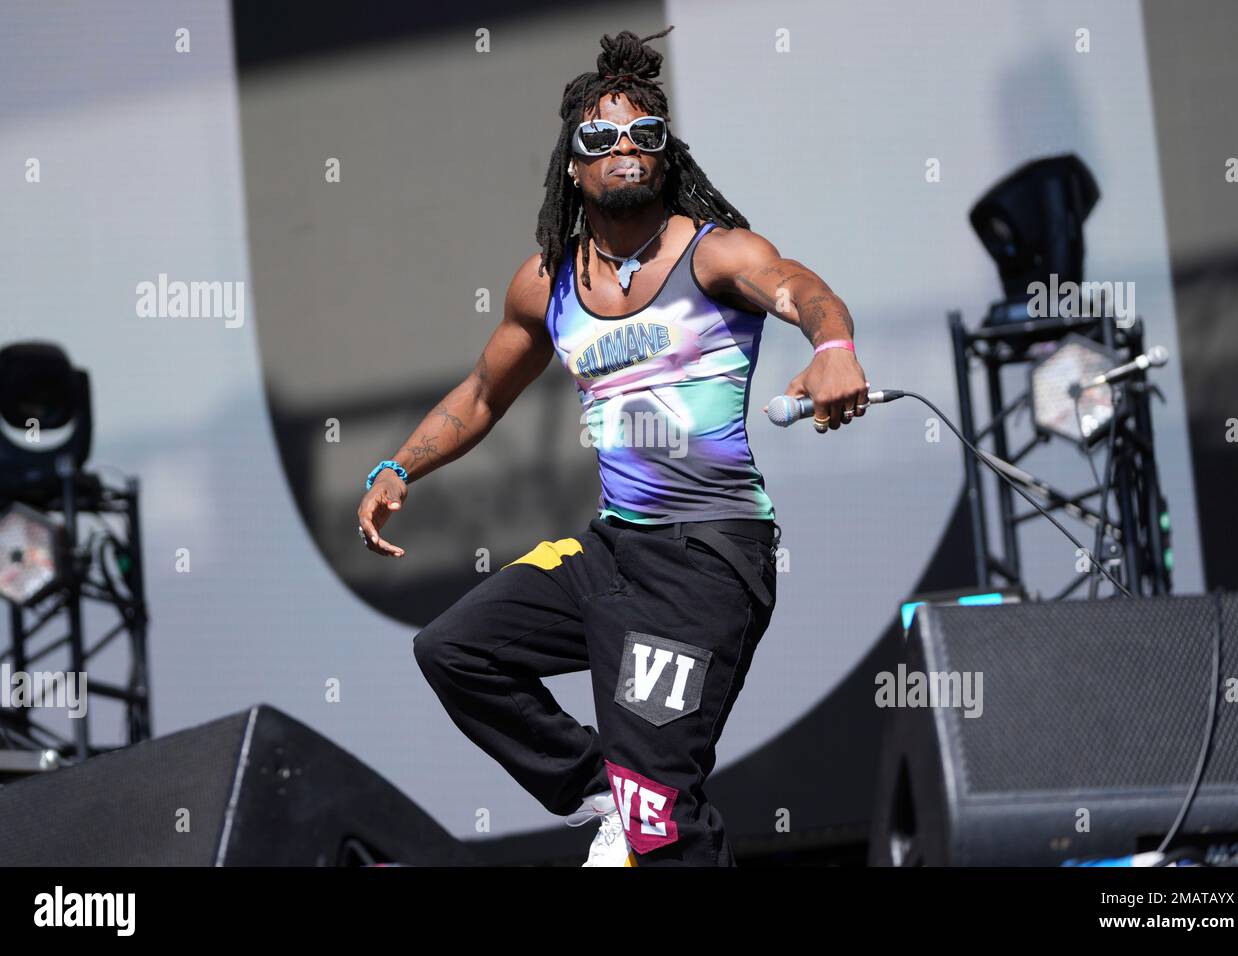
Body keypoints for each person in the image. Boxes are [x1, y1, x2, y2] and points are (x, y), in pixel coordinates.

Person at [356, 26, 869, 866]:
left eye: (645, 135)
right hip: (613, 549)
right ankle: (605, 796)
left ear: (667, 154)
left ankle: (637, 807)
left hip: (709, 559)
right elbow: (485, 393)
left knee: (664, 813)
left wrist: (833, 348)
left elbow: (802, 288)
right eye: (602, 136)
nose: (625, 147)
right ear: (573, 163)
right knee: (454, 649)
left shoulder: (713, 254)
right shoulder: (547, 282)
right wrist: (397, 466)